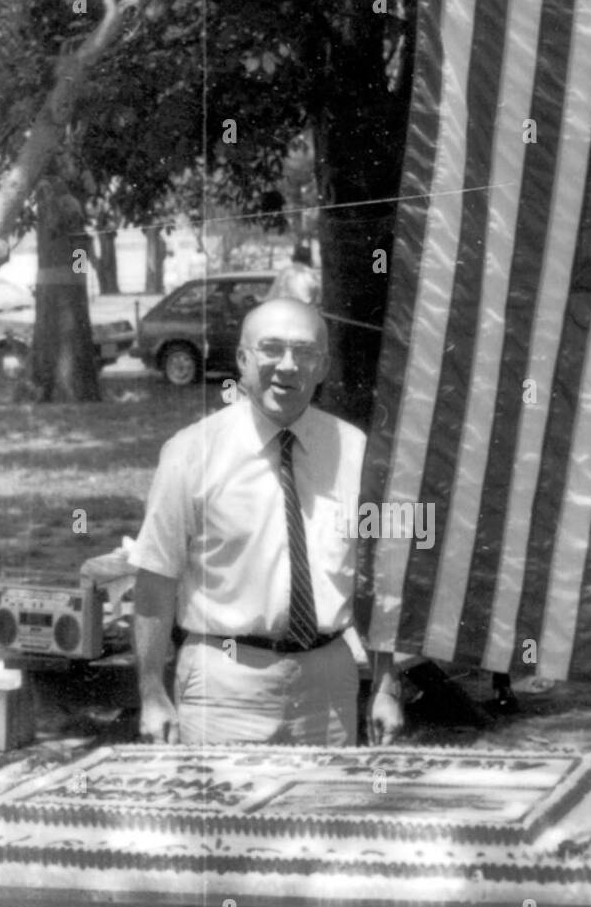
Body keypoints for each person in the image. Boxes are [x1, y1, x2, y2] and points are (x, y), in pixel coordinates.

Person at [131, 295, 403, 751]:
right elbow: (155, 579)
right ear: (242, 359)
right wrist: (152, 693)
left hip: (329, 685)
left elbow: (378, 582)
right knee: (226, 822)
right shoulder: (191, 453)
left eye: (305, 352)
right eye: (271, 349)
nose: (288, 365)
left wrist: (386, 685)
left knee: (324, 819)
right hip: (224, 684)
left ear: (323, 367)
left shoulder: (356, 452)